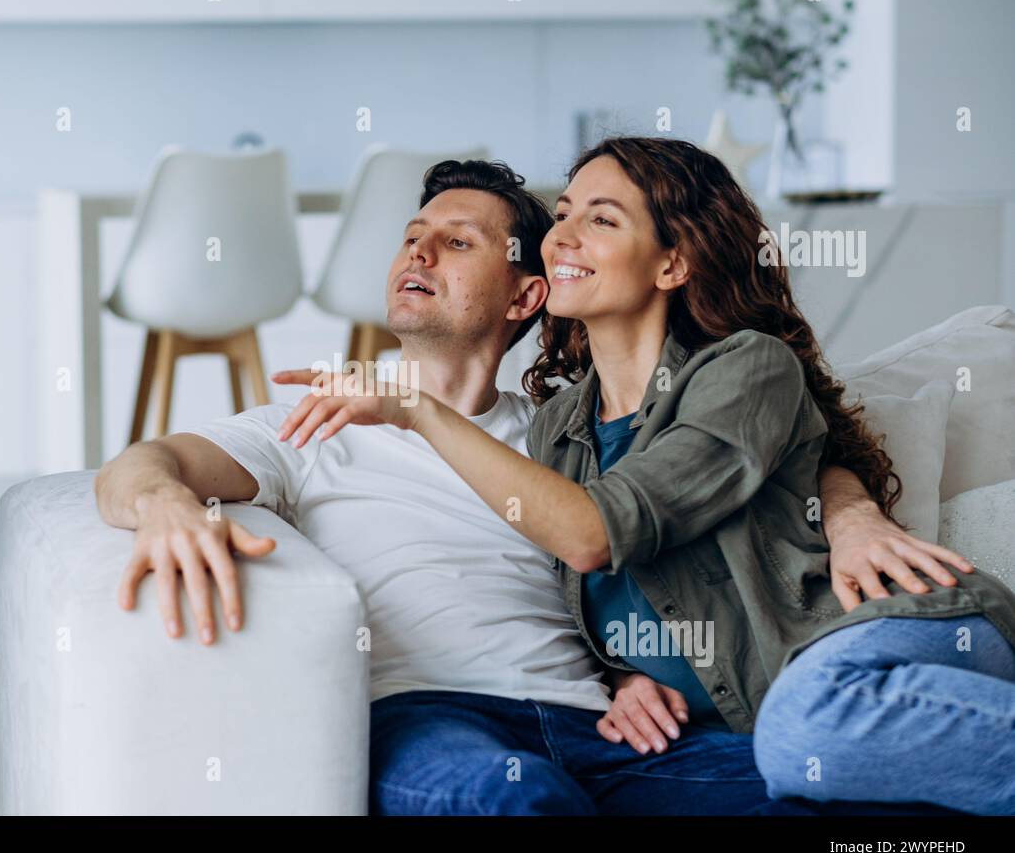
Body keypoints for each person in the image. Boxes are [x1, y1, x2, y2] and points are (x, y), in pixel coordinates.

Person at [95, 157, 967, 815]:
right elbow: (138, 465)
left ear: (526, 297)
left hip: (607, 724)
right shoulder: (318, 421)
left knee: (842, 807)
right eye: (412, 236)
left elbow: (703, 486)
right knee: (508, 803)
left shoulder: (562, 433)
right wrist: (166, 504)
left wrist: (624, 671)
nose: (419, 250)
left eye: (459, 242)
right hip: (435, 714)